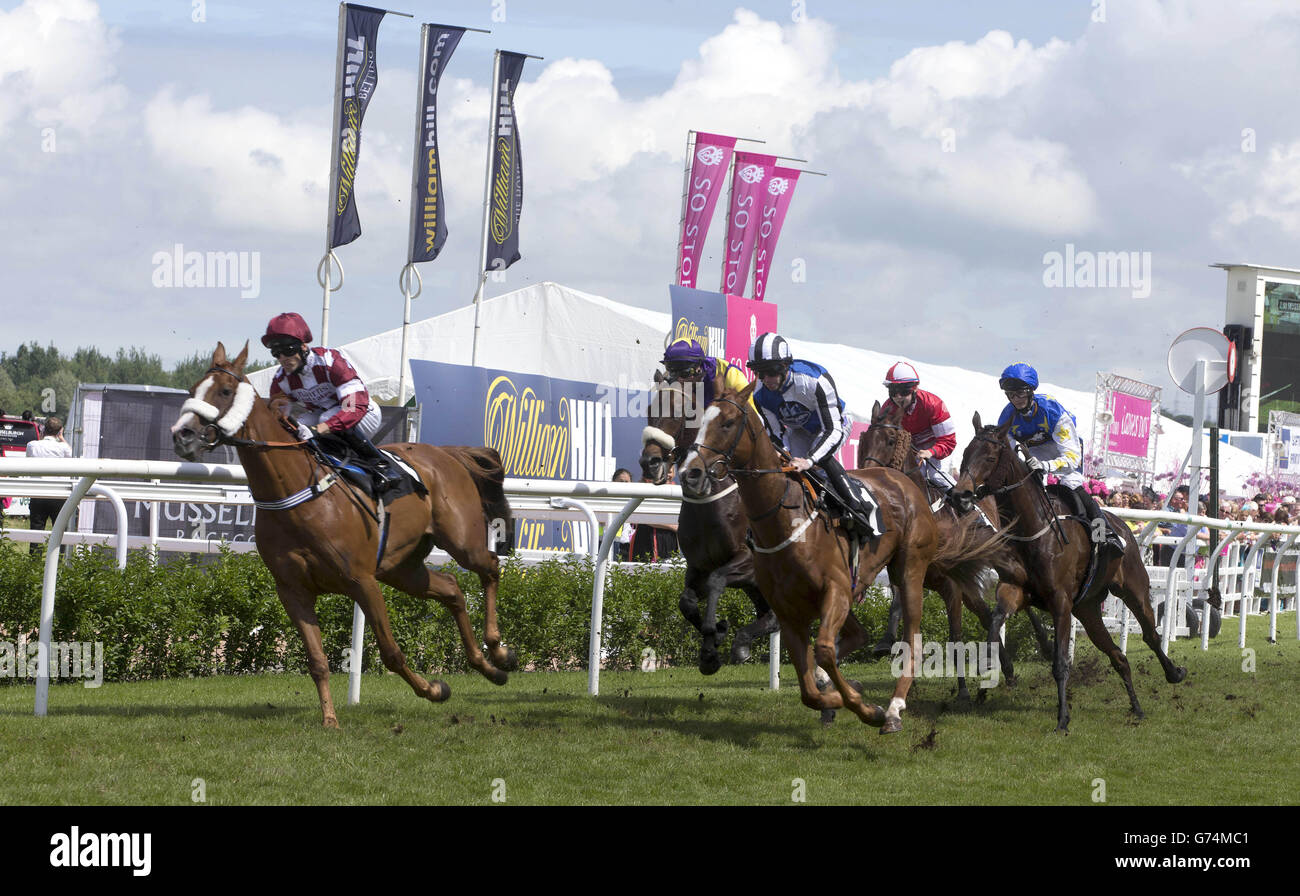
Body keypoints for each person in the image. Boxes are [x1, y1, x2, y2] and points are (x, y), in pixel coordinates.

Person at [748, 332, 877, 534]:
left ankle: (858, 508)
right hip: (800, 430)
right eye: (758, 373)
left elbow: (832, 429)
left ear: (784, 367)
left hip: (835, 424)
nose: (765, 379)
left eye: (770, 372)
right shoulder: (759, 395)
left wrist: (809, 460)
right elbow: (776, 436)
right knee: (788, 466)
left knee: (819, 460)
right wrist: (784, 455)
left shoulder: (814, 379)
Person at [262, 312, 401, 491]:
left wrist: (318, 430)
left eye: (288, 351)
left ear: (303, 347)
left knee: (323, 419)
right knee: (299, 425)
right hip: (325, 415)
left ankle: (383, 467)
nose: (282, 359)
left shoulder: (330, 361)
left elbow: (354, 406)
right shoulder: (281, 380)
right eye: (276, 353)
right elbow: (279, 420)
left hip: (363, 413)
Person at [997, 362, 1123, 552]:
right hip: (1033, 450)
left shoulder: (1051, 410)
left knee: (1071, 484)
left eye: (1020, 393)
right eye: (1011, 395)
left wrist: (1045, 466)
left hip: (1063, 448)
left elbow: (1072, 458)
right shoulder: (1007, 416)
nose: (1016, 399)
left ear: (1031, 391)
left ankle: (1105, 534)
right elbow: (1007, 453)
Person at [880, 361, 957, 495]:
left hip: (936, 446)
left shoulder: (933, 404)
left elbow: (948, 441)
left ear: (914, 389)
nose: (898, 397)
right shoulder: (887, 409)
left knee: (935, 476)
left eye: (904, 391)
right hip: (911, 450)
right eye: (893, 391)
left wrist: (931, 452)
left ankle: (968, 506)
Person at [25, 415, 74, 557]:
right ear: (59, 432)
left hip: (38, 494)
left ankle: (34, 563)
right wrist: (62, 437)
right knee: (59, 531)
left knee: (36, 530)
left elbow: (31, 455)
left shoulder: (32, 445)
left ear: (44, 430)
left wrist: (41, 436)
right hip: (58, 495)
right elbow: (70, 455)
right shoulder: (64, 447)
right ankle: (58, 562)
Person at [660, 337, 751, 413]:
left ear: (698, 368)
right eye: (674, 374)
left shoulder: (730, 375)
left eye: (684, 374)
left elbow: (751, 419)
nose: (679, 380)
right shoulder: (671, 382)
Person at [630, 467, 679, 562]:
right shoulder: (645, 488)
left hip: (670, 540)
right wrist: (672, 526)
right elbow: (640, 516)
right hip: (646, 539)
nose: (667, 475)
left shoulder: (677, 491)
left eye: (670, 472)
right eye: (663, 472)